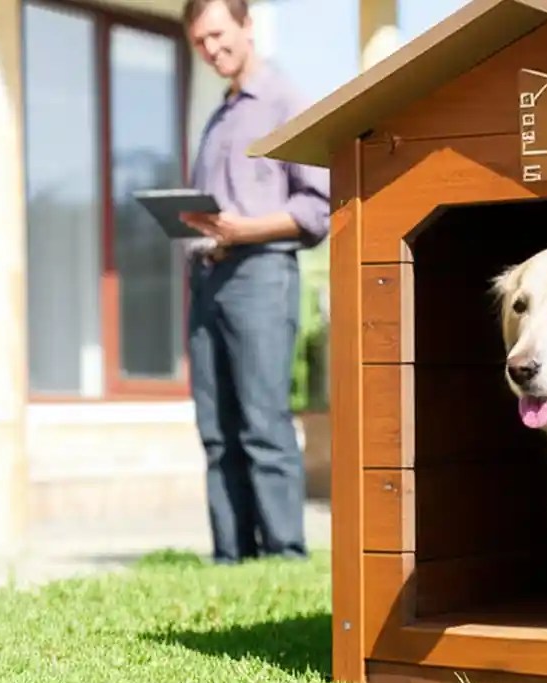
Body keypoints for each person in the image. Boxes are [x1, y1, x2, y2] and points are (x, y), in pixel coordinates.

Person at [178, 0, 330, 564]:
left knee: (263, 422)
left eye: (218, 35)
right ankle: (231, 556)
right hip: (210, 278)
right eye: (199, 43)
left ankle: (285, 554)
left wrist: (245, 229)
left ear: (246, 25)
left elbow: (319, 206)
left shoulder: (286, 101)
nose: (211, 49)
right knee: (216, 428)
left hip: (263, 274)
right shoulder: (220, 114)